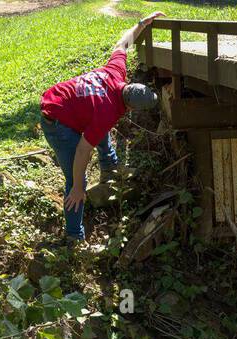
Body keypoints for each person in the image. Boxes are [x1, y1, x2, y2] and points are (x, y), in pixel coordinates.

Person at [39, 12, 164, 242]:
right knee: (76, 181)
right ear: (133, 108)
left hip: (65, 101)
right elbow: (82, 151)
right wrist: (78, 186)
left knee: (98, 129)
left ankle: (110, 166)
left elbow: (122, 43)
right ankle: (73, 236)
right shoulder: (106, 112)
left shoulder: (116, 72)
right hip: (56, 121)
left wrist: (141, 24)